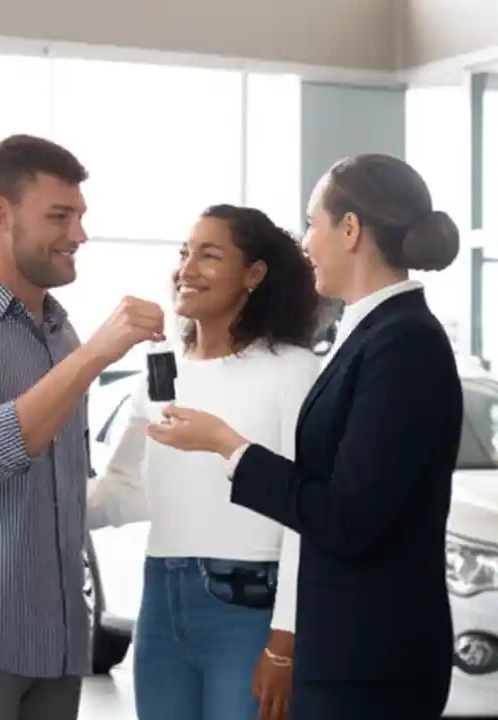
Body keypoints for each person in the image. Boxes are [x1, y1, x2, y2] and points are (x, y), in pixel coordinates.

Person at [147, 154, 463, 719]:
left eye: (313, 225)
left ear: (350, 230)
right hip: (348, 655)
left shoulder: (404, 343)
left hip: (371, 665)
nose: (307, 243)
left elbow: (346, 515)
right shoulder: (367, 332)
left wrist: (230, 447)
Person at [0, 134, 165, 720]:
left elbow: (60, 493)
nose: (79, 235)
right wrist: (94, 355)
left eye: (81, 216)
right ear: (1, 214)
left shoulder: (59, 336)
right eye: (59, 216)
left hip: (57, 648)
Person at [86, 204, 320, 720]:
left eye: (209, 255)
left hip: (251, 609)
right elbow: (123, 488)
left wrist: (285, 640)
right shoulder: (160, 369)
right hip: (160, 600)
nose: (186, 269)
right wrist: (30, 509)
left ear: (254, 274)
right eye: (184, 252)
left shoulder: (294, 369)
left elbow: (306, 516)